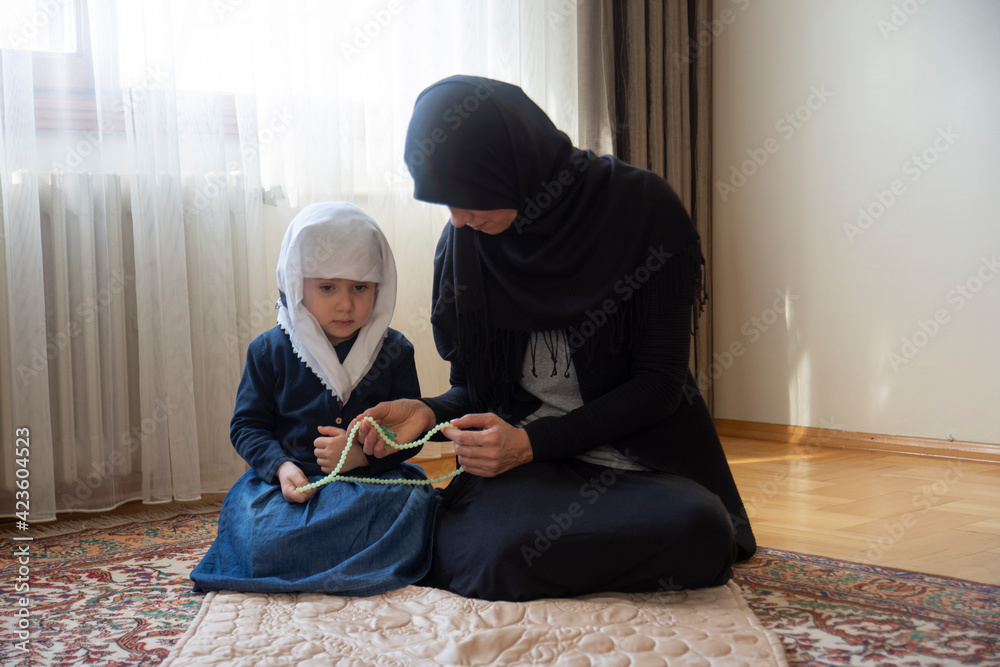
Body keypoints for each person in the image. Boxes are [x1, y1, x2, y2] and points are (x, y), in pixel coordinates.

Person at [354, 75, 757, 602]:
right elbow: (475, 395)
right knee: (503, 553)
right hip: (530, 473)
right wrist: (429, 415)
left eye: (468, 199)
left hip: (639, 464)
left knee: (703, 530)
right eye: (444, 204)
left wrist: (531, 444)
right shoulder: (465, 244)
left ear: (513, 165)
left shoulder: (644, 213)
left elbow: (660, 383)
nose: (457, 220)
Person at [190, 201, 435, 595]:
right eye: (327, 288)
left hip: (368, 483)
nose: (345, 303)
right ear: (296, 283)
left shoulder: (396, 350)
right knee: (255, 530)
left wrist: (365, 455)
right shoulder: (269, 350)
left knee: (413, 505)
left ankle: (331, 556)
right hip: (289, 487)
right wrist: (282, 468)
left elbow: (409, 433)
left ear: (380, 287)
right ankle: (349, 557)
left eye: (360, 287)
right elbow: (247, 425)